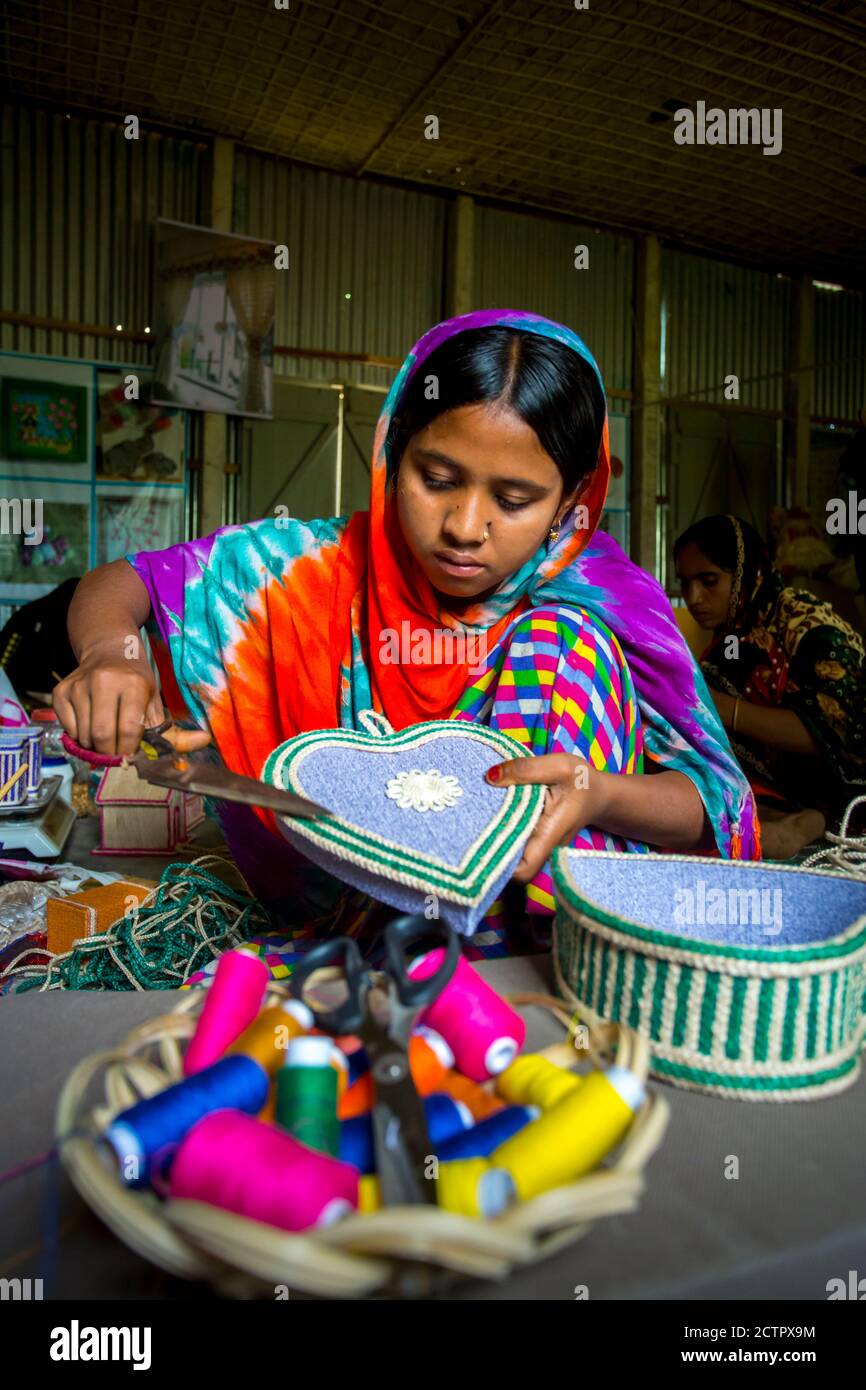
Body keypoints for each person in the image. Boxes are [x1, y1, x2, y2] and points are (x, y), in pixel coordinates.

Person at [54, 311, 758, 940]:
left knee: (558, 641)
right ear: (392, 453)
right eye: (438, 478)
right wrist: (112, 655)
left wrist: (598, 791)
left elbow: (714, 805)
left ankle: (500, 952)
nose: (465, 528)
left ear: (571, 500)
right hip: (349, 917)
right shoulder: (308, 571)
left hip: (542, 933)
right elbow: (130, 581)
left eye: (514, 500)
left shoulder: (605, 602)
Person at [674, 514, 866, 858]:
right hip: (781, 787)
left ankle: (802, 817)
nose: (694, 597)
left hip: (842, 785)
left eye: (708, 581)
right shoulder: (736, 633)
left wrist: (718, 706)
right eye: (685, 583)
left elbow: (831, 732)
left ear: (750, 574)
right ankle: (774, 816)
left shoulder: (807, 624)